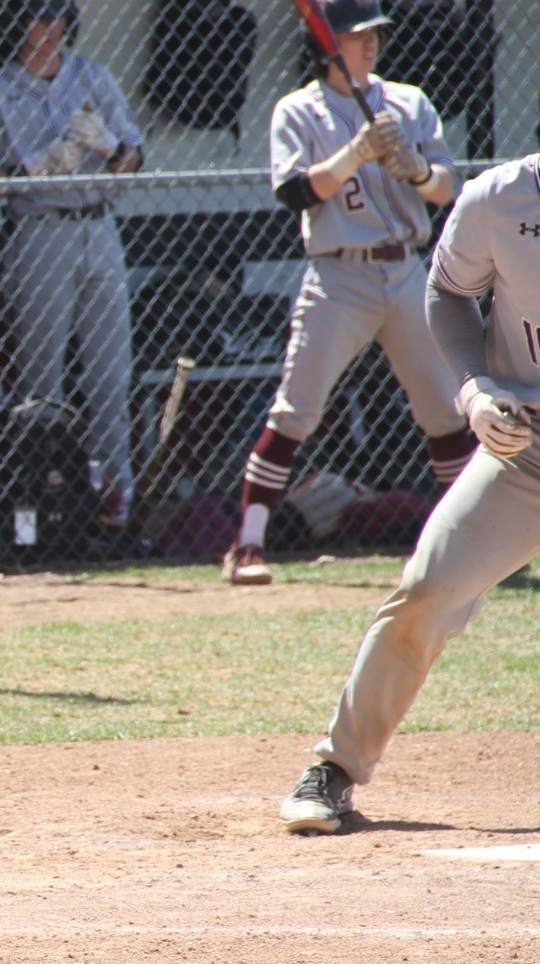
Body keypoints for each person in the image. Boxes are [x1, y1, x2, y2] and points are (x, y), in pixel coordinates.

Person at [279, 41, 540, 835]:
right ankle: (336, 766)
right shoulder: (498, 201)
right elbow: (449, 298)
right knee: (429, 589)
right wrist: (476, 387)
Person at [222, 0, 472, 587]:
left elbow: (445, 189)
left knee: (443, 409)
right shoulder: (298, 109)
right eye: (358, 36)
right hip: (338, 276)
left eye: (374, 35)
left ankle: (471, 546)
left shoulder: (408, 102)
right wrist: (355, 152)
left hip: (406, 269)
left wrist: (412, 169)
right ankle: (250, 544)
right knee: (296, 410)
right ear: (328, 45)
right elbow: (295, 193)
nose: (371, 45)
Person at [0, 0, 143, 525]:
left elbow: (134, 157)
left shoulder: (93, 76)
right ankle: (44, 506)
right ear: (19, 24)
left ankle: (114, 503)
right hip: (39, 232)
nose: (50, 28)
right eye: (39, 17)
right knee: (43, 383)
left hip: (99, 226)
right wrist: (32, 166)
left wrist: (107, 146)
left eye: (58, 16)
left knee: (112, 376)